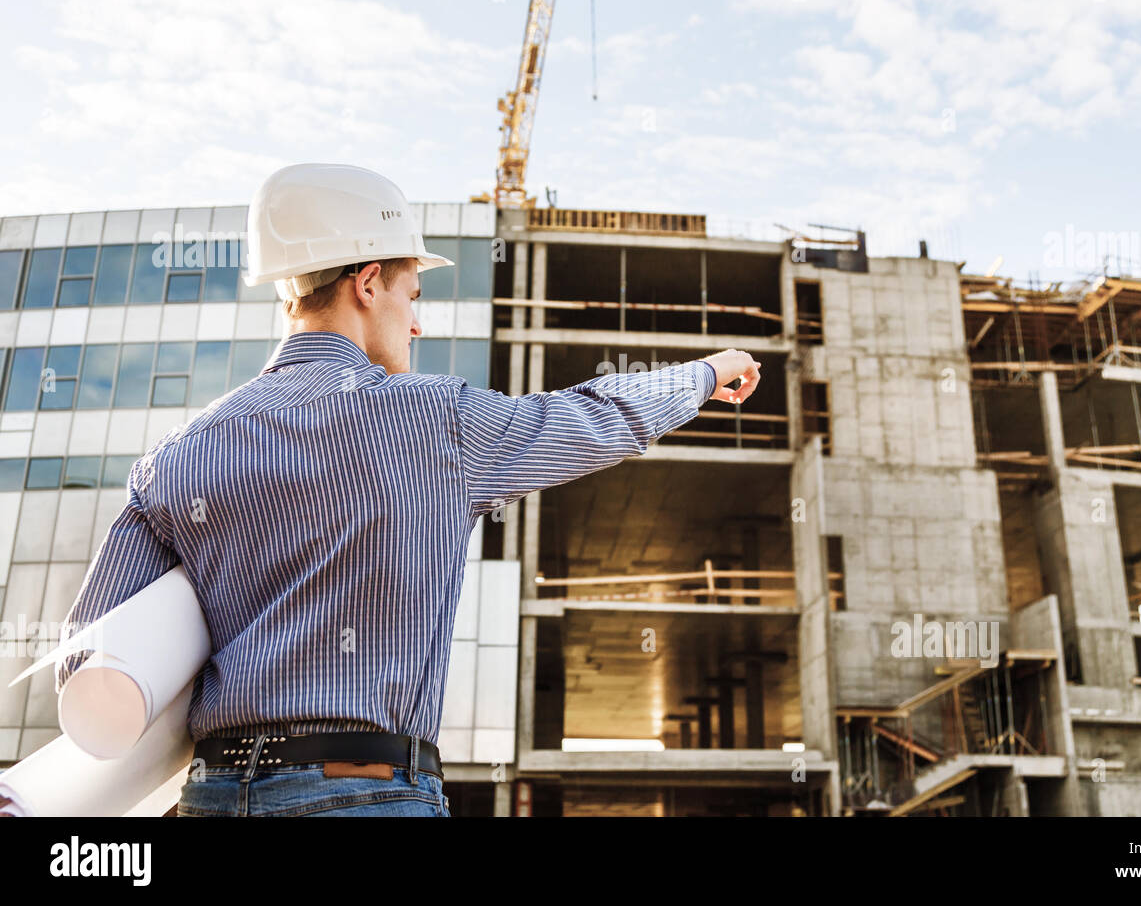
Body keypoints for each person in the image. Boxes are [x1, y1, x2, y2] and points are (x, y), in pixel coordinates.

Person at [55, 163, 761, 817]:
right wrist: (706, 371)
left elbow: (87, 655)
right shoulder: (433, 420)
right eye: (411, 294)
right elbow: (591, 417)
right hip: (364, 790)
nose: (418, 322)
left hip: (212, 796)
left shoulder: (175, 458)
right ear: (367, 283)